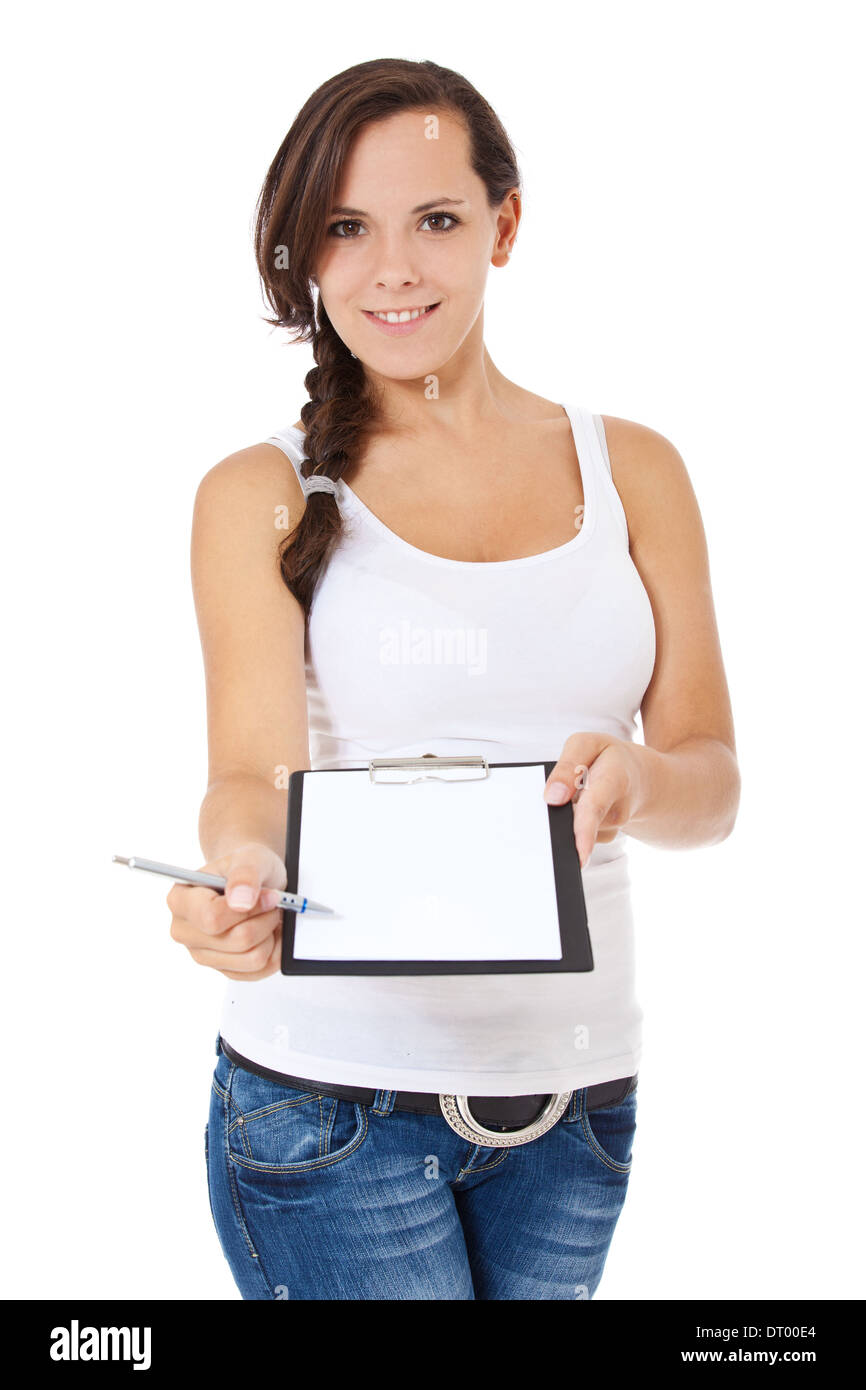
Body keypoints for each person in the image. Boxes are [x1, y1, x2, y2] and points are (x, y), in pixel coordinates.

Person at [167, 57, 740, 1300]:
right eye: (345, 228)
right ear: (304, 253)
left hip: (574, 1108)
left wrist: (638, 777)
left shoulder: (634, 468)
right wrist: (242, 873)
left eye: (435, 220)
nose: (393, 270)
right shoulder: (253, 491)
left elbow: (711, 780)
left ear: (504, 223)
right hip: (328, 1112)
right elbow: (249, 775)